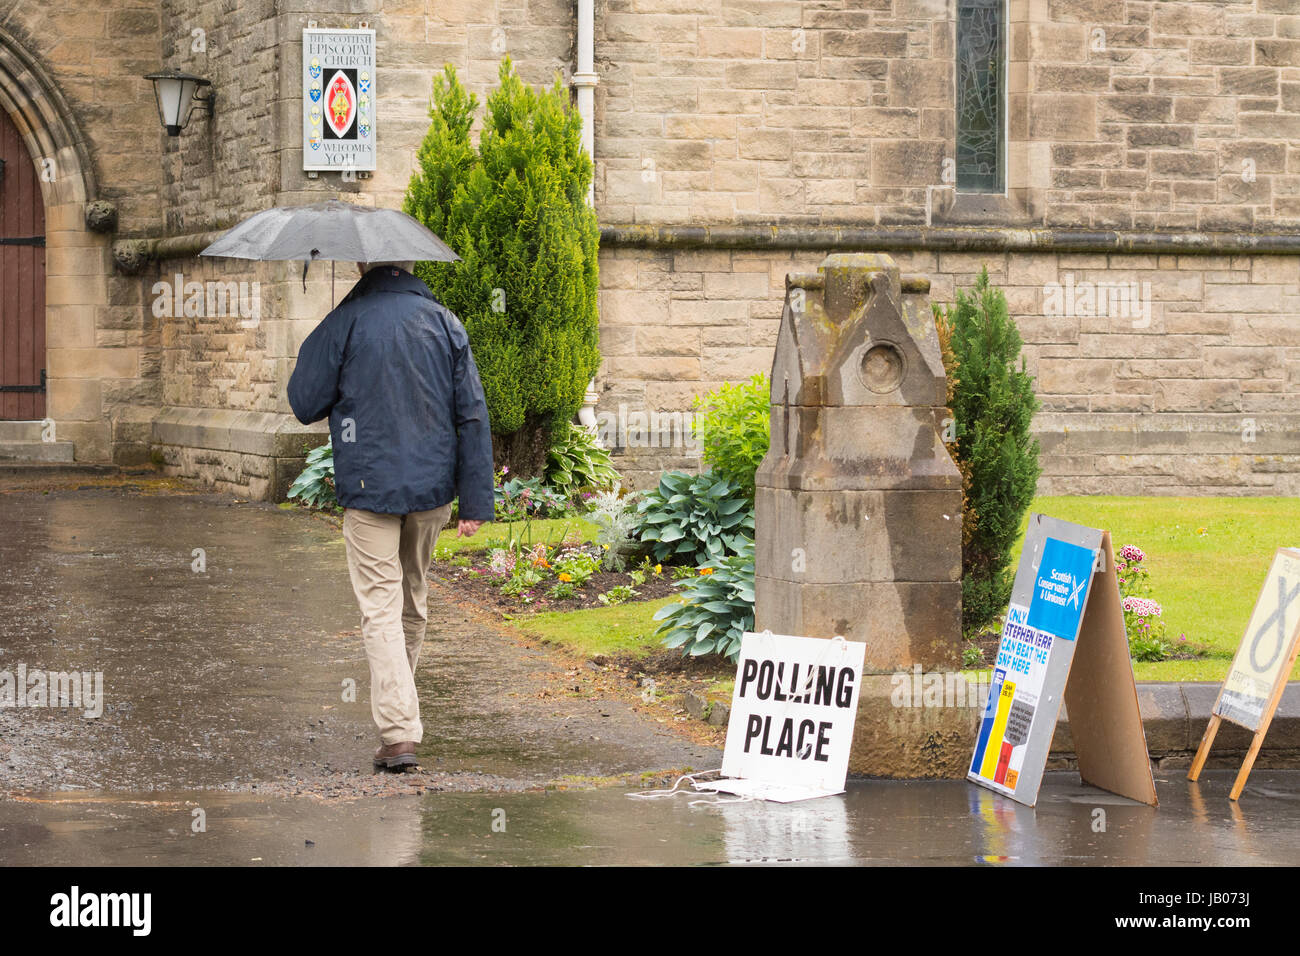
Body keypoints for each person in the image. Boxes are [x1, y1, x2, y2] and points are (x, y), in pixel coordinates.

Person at [288, 261, 494, 771]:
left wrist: (332, 326)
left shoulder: (347, 321)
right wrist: (476, 501)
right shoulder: (445, 322)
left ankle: (399, 732)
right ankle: (401, 716)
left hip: (369, 487)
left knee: (381, 608)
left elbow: (304, 402)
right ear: (409, 265)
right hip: (430, 492)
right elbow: (471, 412)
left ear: (362, 267)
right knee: (412, 600)